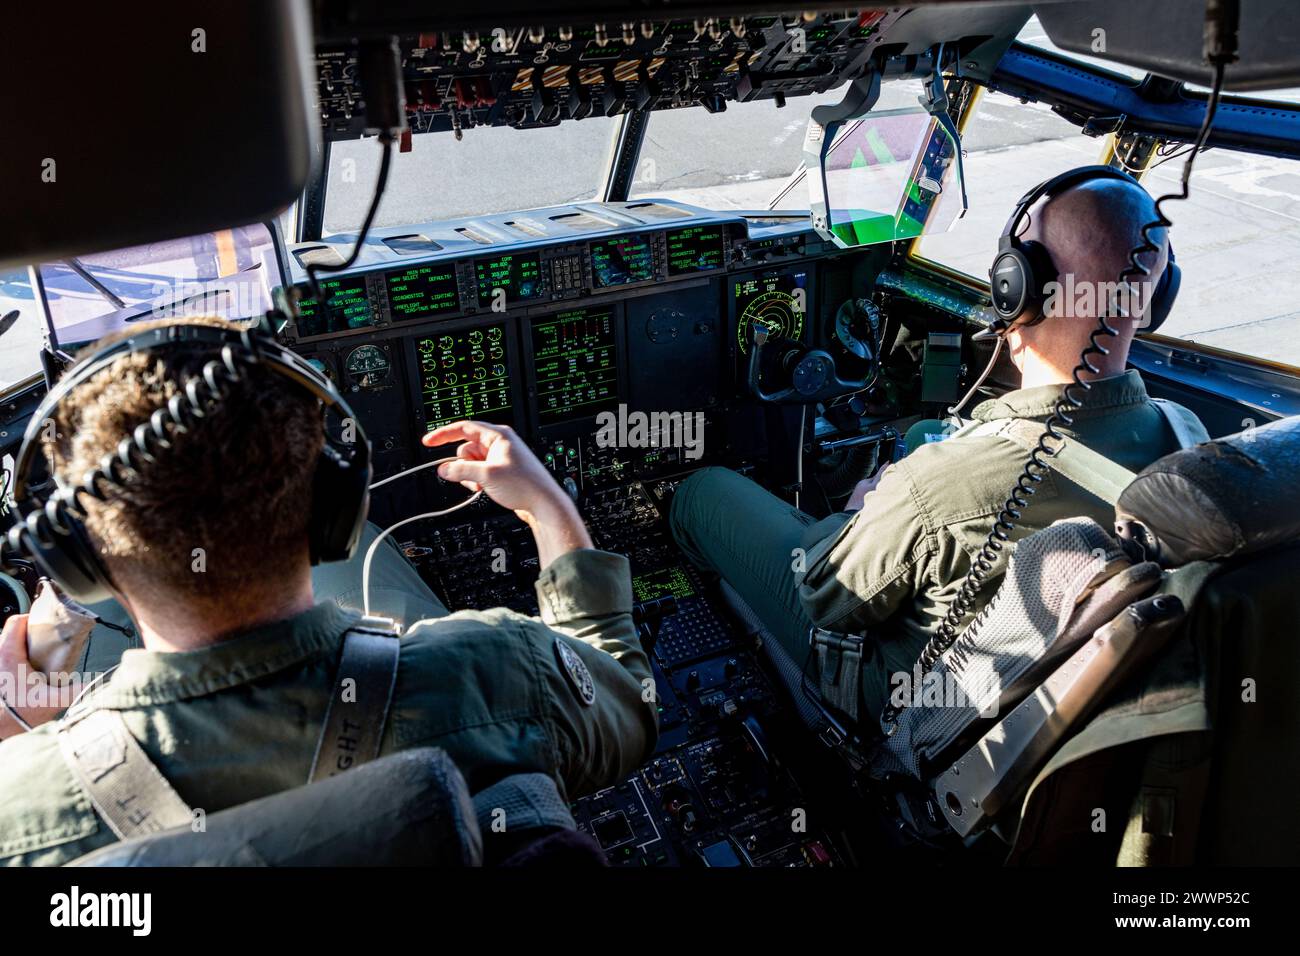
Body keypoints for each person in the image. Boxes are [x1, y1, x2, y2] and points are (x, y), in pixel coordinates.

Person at [0, 316, 657, 866]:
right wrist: (550, 510)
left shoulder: (20, 803)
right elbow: (630, 700)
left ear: (79, 557)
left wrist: (24, 751)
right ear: (335, 511)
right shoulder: (500, 668)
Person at [670, 173, 1207, 727]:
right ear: (1155, 296)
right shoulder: (1189, 438)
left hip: (912, 703)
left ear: (1015, 288)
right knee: (920, 435)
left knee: (701, 492)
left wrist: (859, 512)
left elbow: (825, 599)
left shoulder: (941, 485)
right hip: (1067, 702)